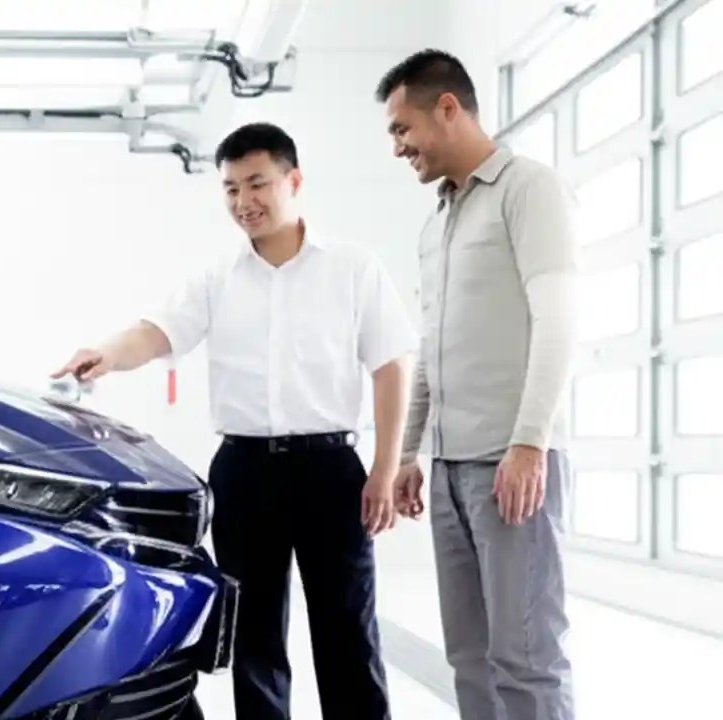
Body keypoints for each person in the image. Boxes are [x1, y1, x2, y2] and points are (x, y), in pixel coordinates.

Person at [51, 122, 416, 720]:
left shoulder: (352, 268)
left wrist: (383, 468)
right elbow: (157, 332)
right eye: (230, 189)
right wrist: (105, 355)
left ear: (292, 181)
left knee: (347, 628)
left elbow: (391, 364)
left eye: (257, 184)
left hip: (331, 469)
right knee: (253, 636)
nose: (243, 202)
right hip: (244, 472)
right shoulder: (217, 279)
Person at [375, 49, 580, 720]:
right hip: (451, 469)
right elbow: (432, 348)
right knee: (470, 658)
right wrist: (409, 452)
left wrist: (529, 442)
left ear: (448, 107)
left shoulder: (529, 188)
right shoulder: (437, 223)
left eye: (402, 129)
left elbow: (559, 321)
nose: (398, 147)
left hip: (512, 462)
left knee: (526, 662)